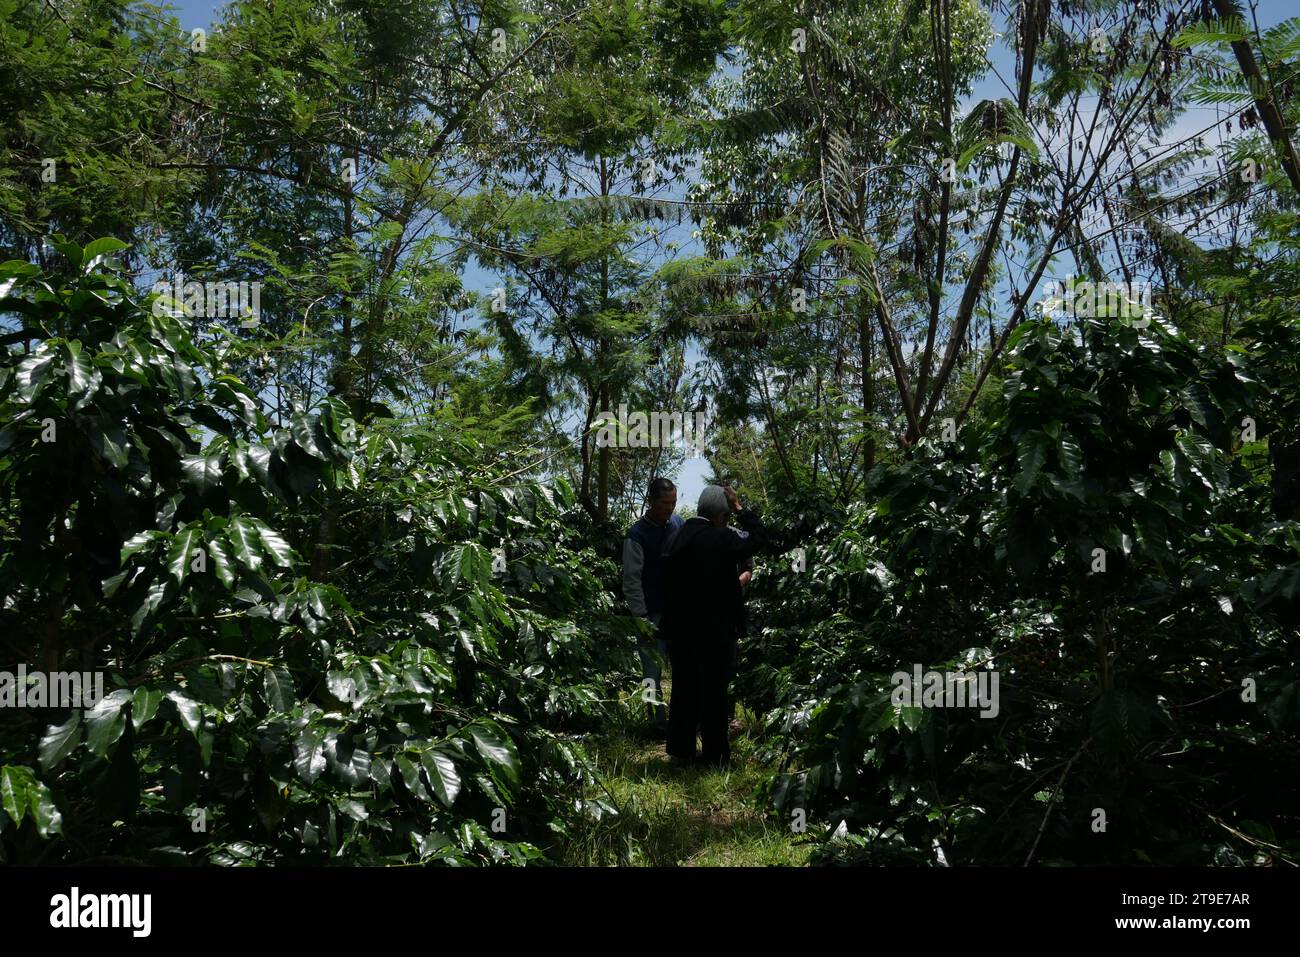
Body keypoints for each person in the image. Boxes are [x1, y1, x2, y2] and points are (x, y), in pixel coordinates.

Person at [659, 484, 768, 767]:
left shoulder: (674, 537)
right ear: (721, 516)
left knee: (684, 689)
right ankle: (714, 756)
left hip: (680, 631)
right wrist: (741, 508)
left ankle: (681, 751)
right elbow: (759, 538)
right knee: (714, 693)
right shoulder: (719, 538)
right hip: (714, 632)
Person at [621, 477, 684, 736]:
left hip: (678, 610)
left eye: (673, 502)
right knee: (651, 672)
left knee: (683, 666)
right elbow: (631, 580)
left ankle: (683, 719)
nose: (670, 508)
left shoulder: (679, 524)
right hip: (651, 612)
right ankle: (655, 723)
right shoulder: (636, 535)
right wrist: (641, 618)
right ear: (651, 501)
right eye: (665, 503)